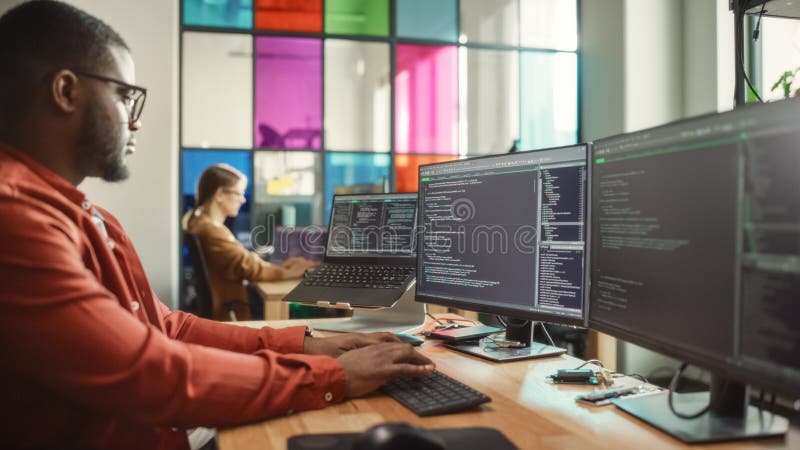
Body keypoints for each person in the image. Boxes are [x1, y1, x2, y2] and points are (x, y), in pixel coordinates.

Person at [0, 2, 434, 450]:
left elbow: (167, 329)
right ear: (66, 90)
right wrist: (334, 375)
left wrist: (307, 346)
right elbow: (150, 373)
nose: (136, 119)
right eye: (126, 96)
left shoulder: (84, 215)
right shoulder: (16, 218)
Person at [182, 163, 316, 321]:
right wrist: (293, 272)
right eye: (238, 193)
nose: (243, 199)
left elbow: (239, 259)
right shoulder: (210, 230)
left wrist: (278, 265)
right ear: (219, 194)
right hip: (230, 315)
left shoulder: (203, 223)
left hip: (227, 306)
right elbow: (248, 267)